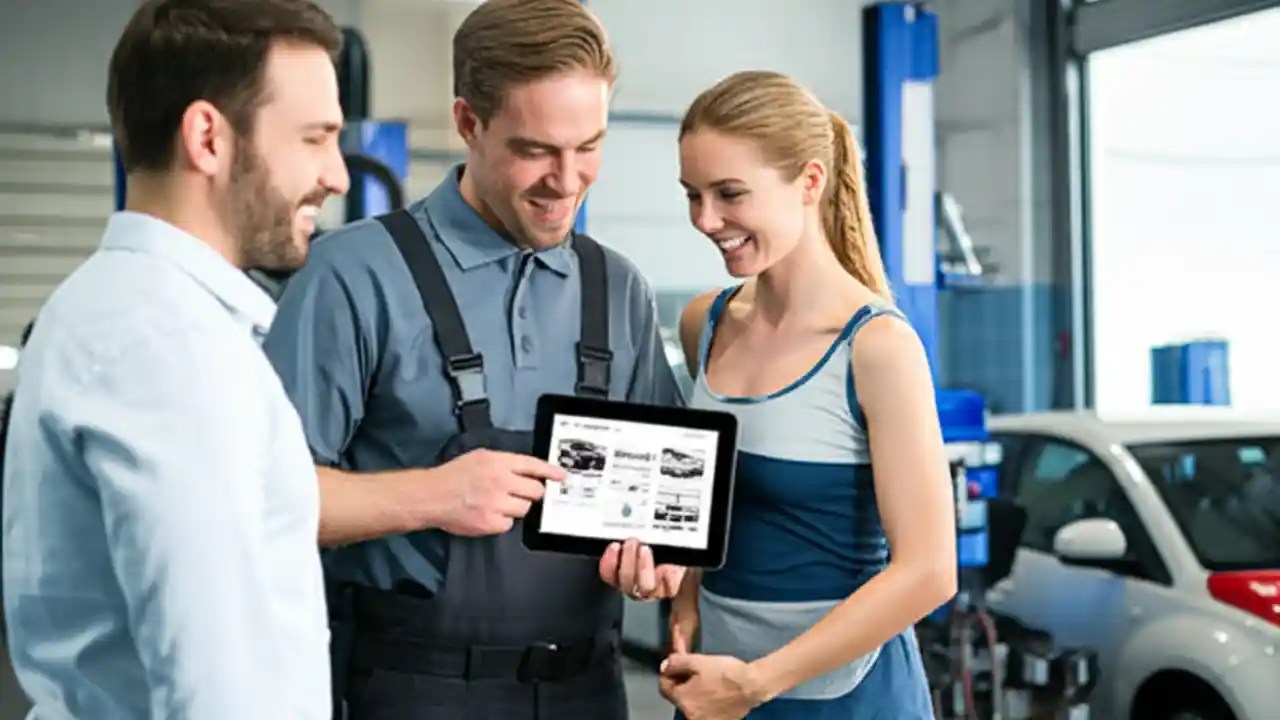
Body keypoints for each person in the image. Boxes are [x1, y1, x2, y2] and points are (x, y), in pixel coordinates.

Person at [260, 0, 685, 717]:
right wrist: (434, 497)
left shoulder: (618, 289)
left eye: (589, 145)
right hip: (407, 692)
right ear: (467, 123)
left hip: (588, 692)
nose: (568, 179)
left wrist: (656, 559)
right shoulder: (349, 277)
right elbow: (260, 500)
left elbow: (665, 508)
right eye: (535, 150)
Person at [0, 1, 350, 717]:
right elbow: (217, 690)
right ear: (208, 138)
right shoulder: (171, 349)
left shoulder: (112, 306)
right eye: (315, 138)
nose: (337, 174)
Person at [657, 70, 958, 720]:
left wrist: (757, 682)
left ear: (810, 182)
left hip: (844, 698)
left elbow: (930, 570)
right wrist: (682, 597)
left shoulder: (876, 348)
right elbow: (707, 505)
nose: (706, 220)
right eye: (693, 195)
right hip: (718, 688)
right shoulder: (702, 323)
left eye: (730, 194)